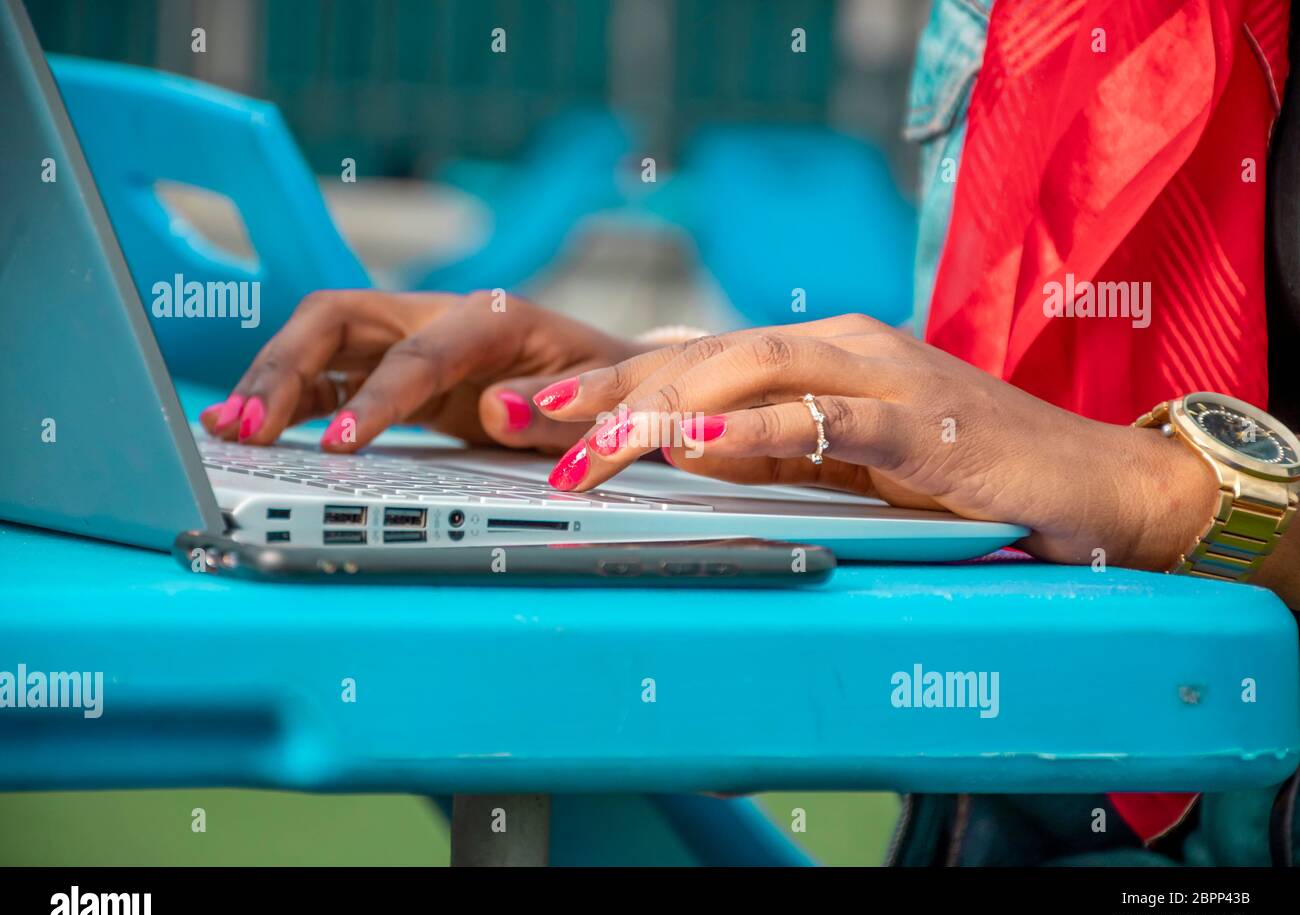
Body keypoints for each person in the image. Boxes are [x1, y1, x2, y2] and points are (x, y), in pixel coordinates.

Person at [202, 0, 1300, 864]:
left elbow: (1072, 461)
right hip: (999, 809)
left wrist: (1168, 496)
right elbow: (997, 423)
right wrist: (653, 398)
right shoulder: (1025, 16)